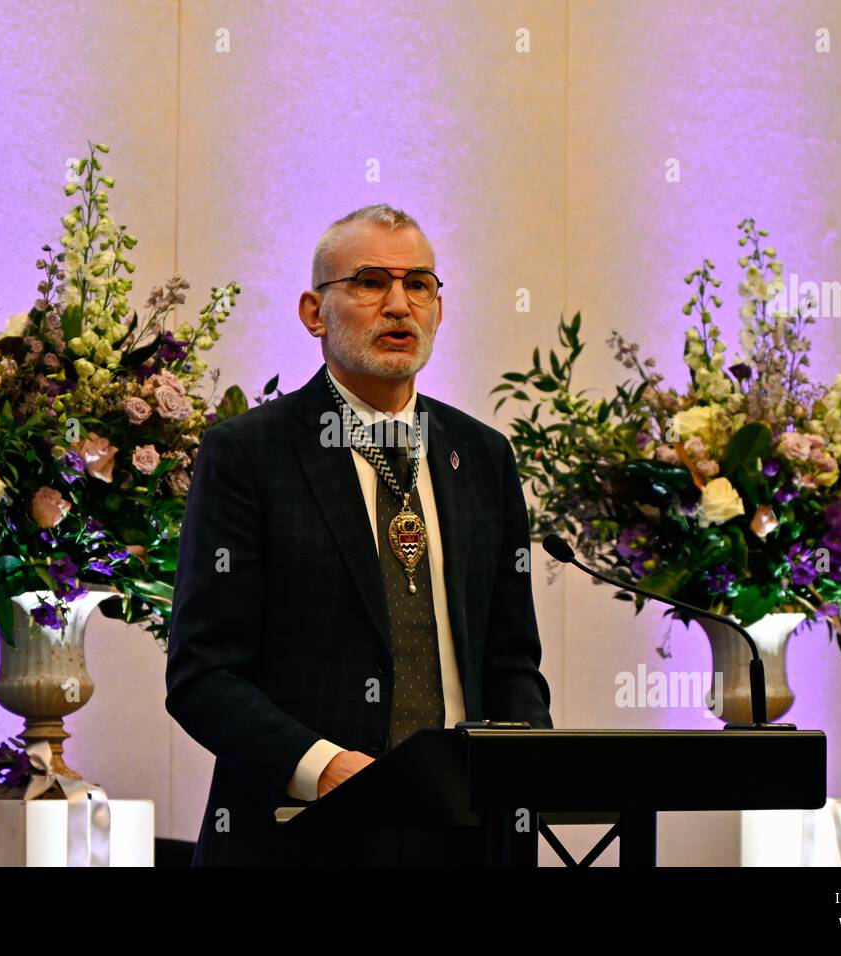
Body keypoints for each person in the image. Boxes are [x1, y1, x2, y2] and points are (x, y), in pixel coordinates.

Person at [165, 204, 553, 865]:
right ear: (314, 312)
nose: (399, 305)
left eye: (419, 284)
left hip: (466, 837)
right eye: (371, 282)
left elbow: (511, 660)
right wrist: (327, 769)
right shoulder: (250, 455)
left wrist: (520, 769)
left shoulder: (482, 455)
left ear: (438, 308)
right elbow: (204, 676)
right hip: (301, 834)